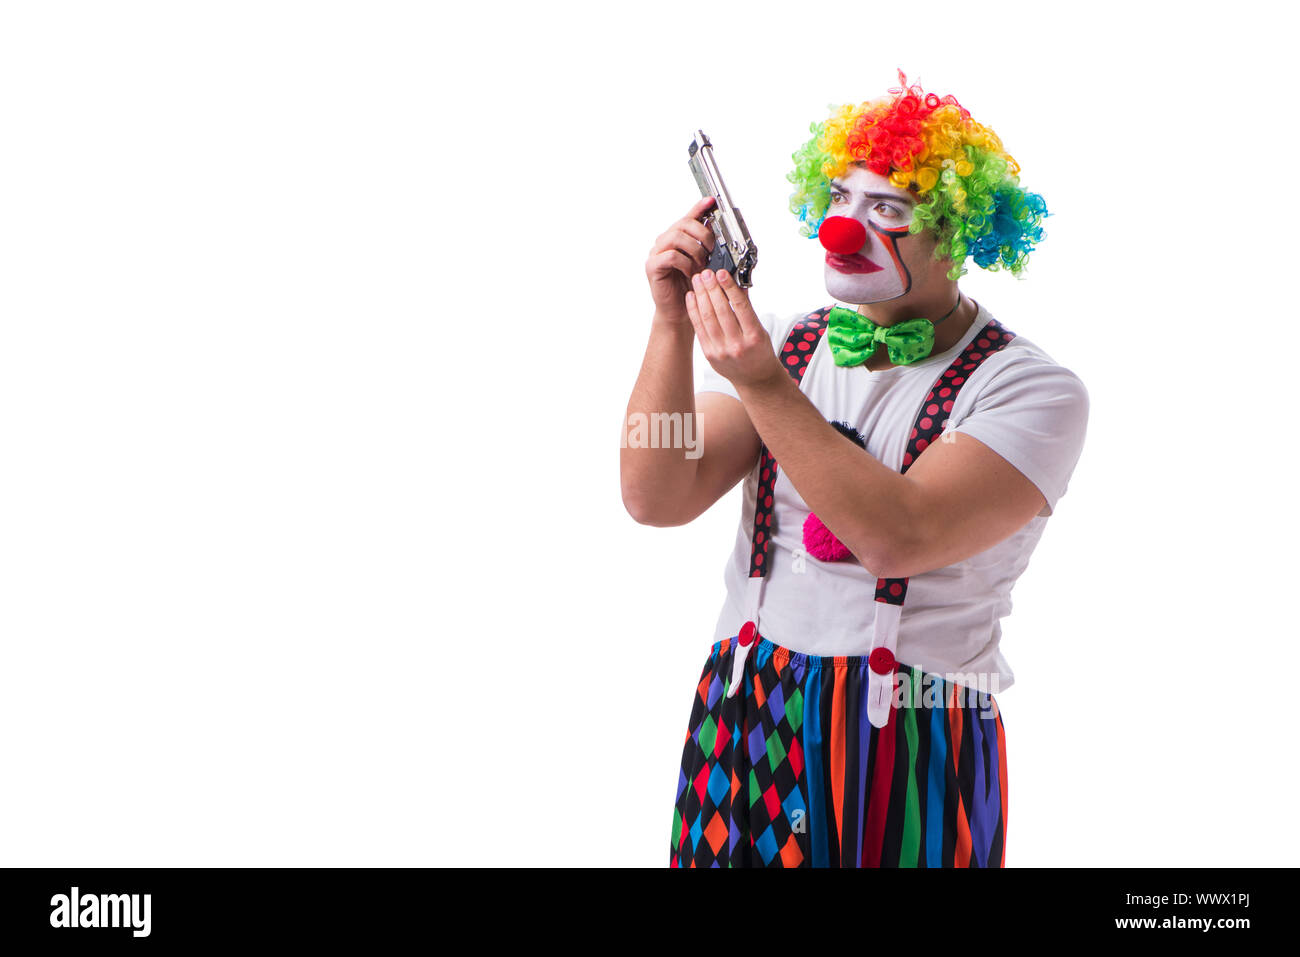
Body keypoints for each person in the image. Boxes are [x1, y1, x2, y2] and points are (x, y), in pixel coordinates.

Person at [620, 72, 1089, 868]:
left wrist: (761, 382)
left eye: (888, 210)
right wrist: (671, 328)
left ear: (957, 231)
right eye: (840, 198)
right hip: (746, 704)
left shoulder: (1032, 390)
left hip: (910, 723)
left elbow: (898, 536)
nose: (847, 227)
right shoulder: (789, 344)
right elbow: (655, 491)